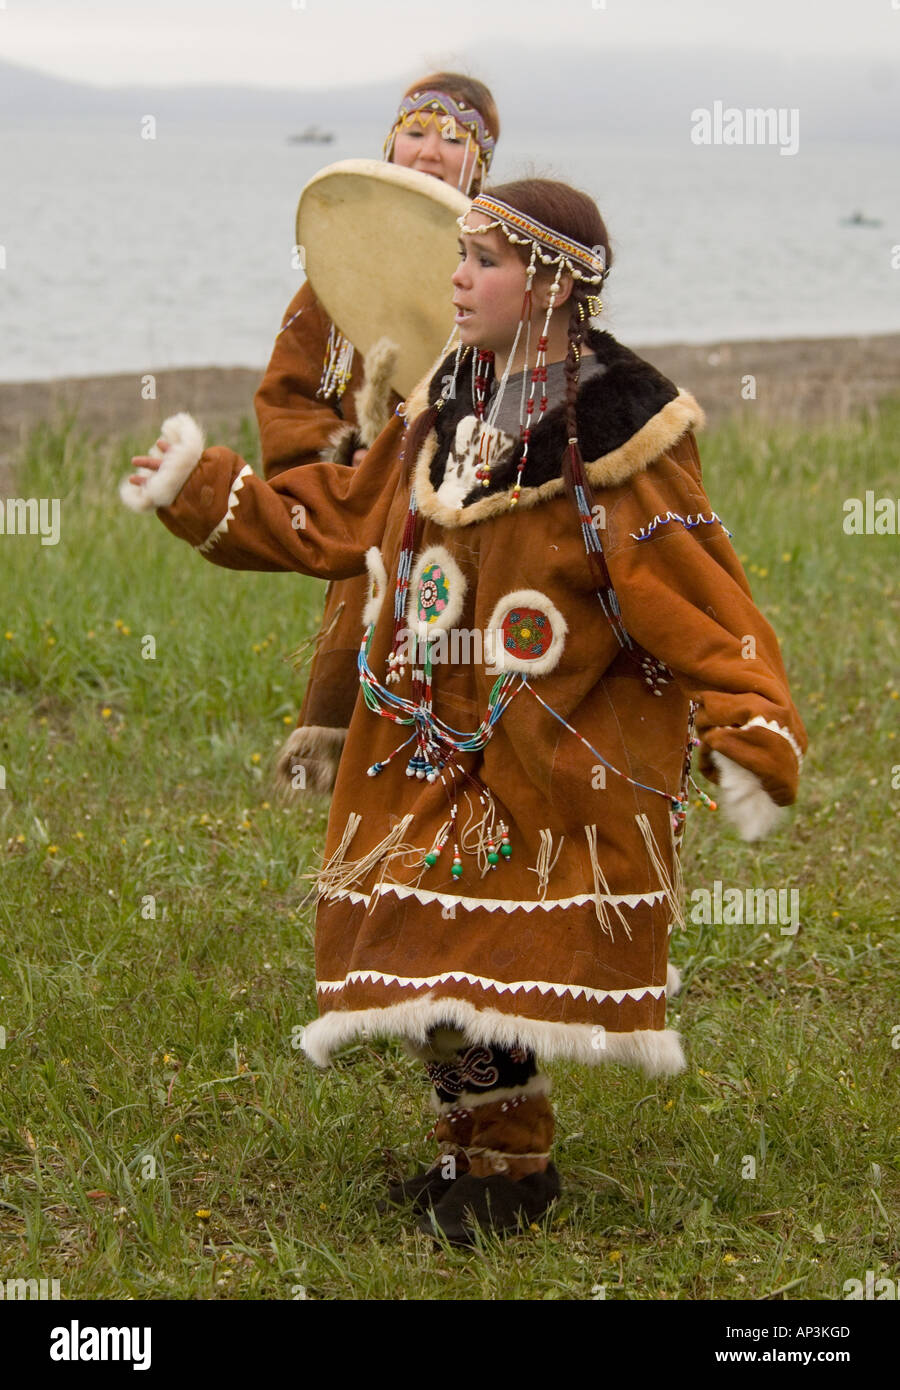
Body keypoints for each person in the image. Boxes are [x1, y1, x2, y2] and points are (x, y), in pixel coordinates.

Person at [121, 178, 807, 1246]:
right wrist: (205, 486)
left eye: (484, 259)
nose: (456, 276)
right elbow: (344, 516)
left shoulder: (617, 421)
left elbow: (695, 587)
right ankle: (477, 1151)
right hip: (424, 738)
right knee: (416, 941)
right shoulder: (447, 400)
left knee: (484, 951)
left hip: (550, 743)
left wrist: (748, 723)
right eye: (461, 254)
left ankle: (510, 1169)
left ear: (551, 284)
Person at [257, 73, 500, 798]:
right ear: (390, 142)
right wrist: (346, 457)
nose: (428, 152)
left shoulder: (503, 271)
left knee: (470, 646)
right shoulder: (337, 272)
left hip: (475, 503)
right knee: (365, 634)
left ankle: (468, 780)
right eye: (415, 132)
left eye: (452, 140)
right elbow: (287, 396)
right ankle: (347, 776)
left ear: (480, 164)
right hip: (375, 510)